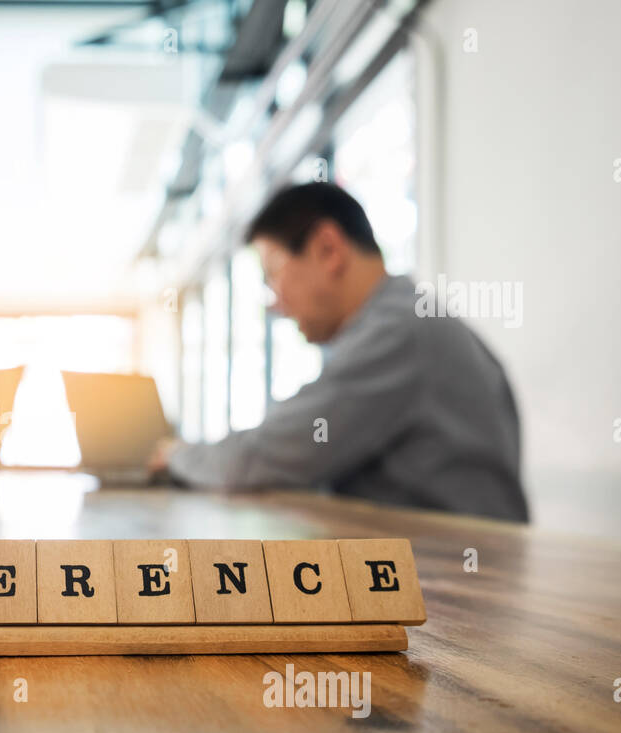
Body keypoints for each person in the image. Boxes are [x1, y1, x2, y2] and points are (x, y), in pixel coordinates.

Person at [151, 182, 529, 522]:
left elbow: (268, 453)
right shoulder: (408, 322)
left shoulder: (399, 333)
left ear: (328, 249)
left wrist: (175, 456)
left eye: (274, 273)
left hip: (457, 580)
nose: (275, 303)